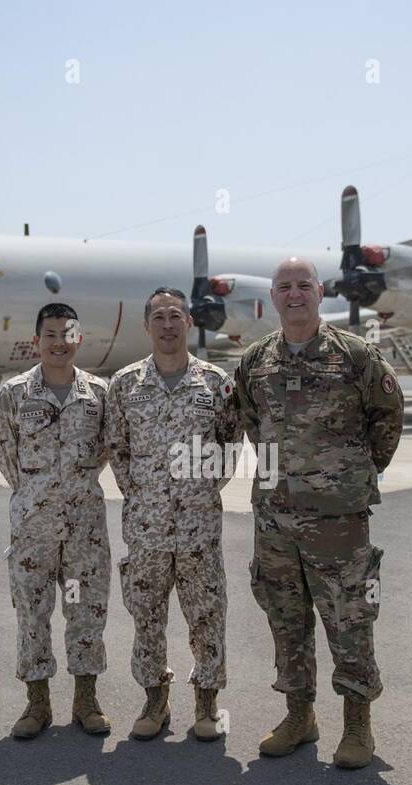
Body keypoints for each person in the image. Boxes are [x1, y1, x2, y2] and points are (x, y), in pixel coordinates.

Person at [234, 257, 404, 769]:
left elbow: (387, 419)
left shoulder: (355, 356)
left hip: (338, 521)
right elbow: (250, 420)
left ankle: (357, 725)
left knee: (348, 618)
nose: (294, 294)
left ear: (320, 291)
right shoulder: (256, 360)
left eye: (303, 285)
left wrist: (350, 474)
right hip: (275, 520)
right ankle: (299, 715)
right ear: (273, 295)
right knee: (285, 619)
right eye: (284, 286)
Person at [106, 287, 241, 741]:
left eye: (176, 316)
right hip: (145, 528)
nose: (168, 324)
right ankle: (154, 701)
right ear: (146, 326)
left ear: (189, 322)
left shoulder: (215, 382)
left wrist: (198, 492)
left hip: (200, 527)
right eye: (159, 317)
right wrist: (147, 496)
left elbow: (229, 446)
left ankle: (206, 703)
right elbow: (118, 451)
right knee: (147, 615)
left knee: (207, 614)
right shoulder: (125, 385)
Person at [0, 302, 112, 739]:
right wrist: (34, 492)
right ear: (37, 340)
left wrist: (72, 486)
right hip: (33, 530)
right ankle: (37, 703)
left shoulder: (98, 394)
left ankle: (86, 700)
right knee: (32, 612)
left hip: (84, 528)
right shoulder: (15, 394)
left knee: (86, 611)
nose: (60, 342)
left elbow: (105, 450)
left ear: (78, 338)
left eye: (68, 334)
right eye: (51, 335)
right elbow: (3, 448)